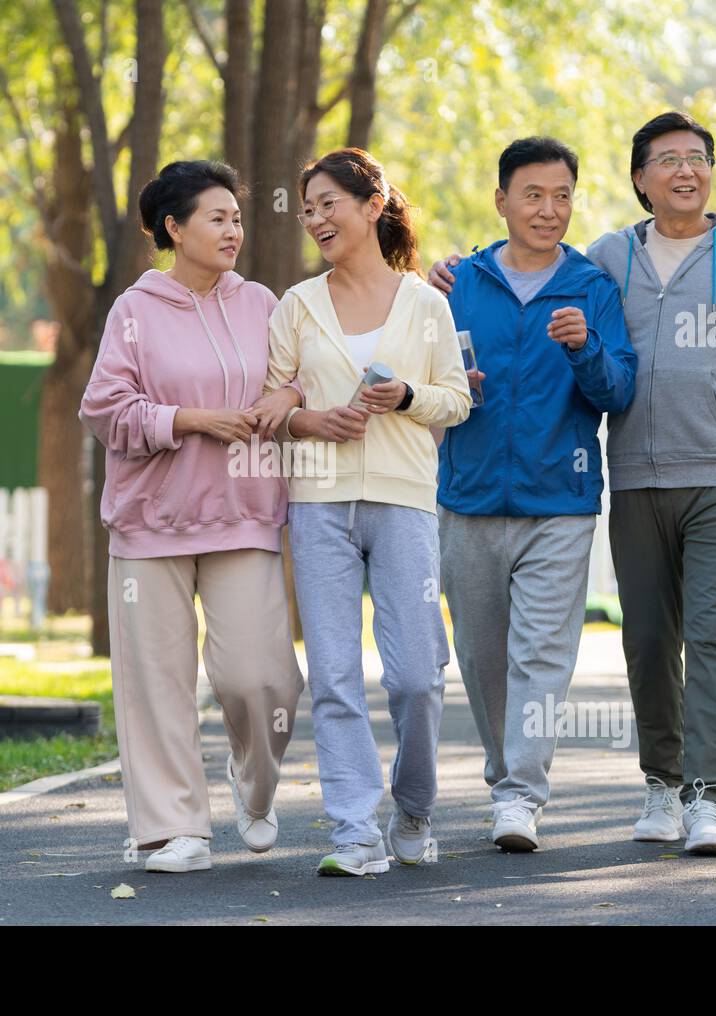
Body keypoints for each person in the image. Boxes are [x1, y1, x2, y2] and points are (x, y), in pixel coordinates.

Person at [431, 110, 716, 855]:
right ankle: (661, 786)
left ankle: (707, 798)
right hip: (634, 476)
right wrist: (449, 270)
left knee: (714, 635)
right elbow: (519, 270)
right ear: (640, 180)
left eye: (697, 157)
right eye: (667, 159)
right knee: (646, 638)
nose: (685, 170)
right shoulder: (607, 259)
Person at [79, 160, 305, 874]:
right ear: (173, 229)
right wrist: (188, 419)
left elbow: (299, 374)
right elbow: (104, 408)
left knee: (260, 676)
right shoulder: (134, 312)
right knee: (156, 683)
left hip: (243, 513)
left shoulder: (262, 304)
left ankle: (255, 787)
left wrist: (288, 396)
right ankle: (172, 827)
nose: (233, 228)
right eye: (217, 217)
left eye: (237, 217)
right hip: (151, 523)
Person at [262, 147, 471, 876]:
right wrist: (304, 419)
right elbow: (272, 398)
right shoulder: (296, 305)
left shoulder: (426, 304)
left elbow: (458, 399)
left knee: (416, 674)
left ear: (372, 206)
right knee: (333, 675)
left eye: (329, 204)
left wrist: (408, 397)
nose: (315, 218)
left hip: (405, 501)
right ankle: (353, 831)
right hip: (318, 505)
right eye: (308, 208)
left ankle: (413, 807)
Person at [425, 137, 636, 852]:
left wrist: (586, 349)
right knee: (482, 654)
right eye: (534, 195)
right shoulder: (458, 283)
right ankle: (502, 771)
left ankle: (520, 795)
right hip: (468, 495)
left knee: (542, 655)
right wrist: (456, 385)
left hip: (560, 501)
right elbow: (420, 381)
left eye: (563, 196)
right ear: (502, 201)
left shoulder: (592, 288)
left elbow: (619, 390)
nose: (550, 210)